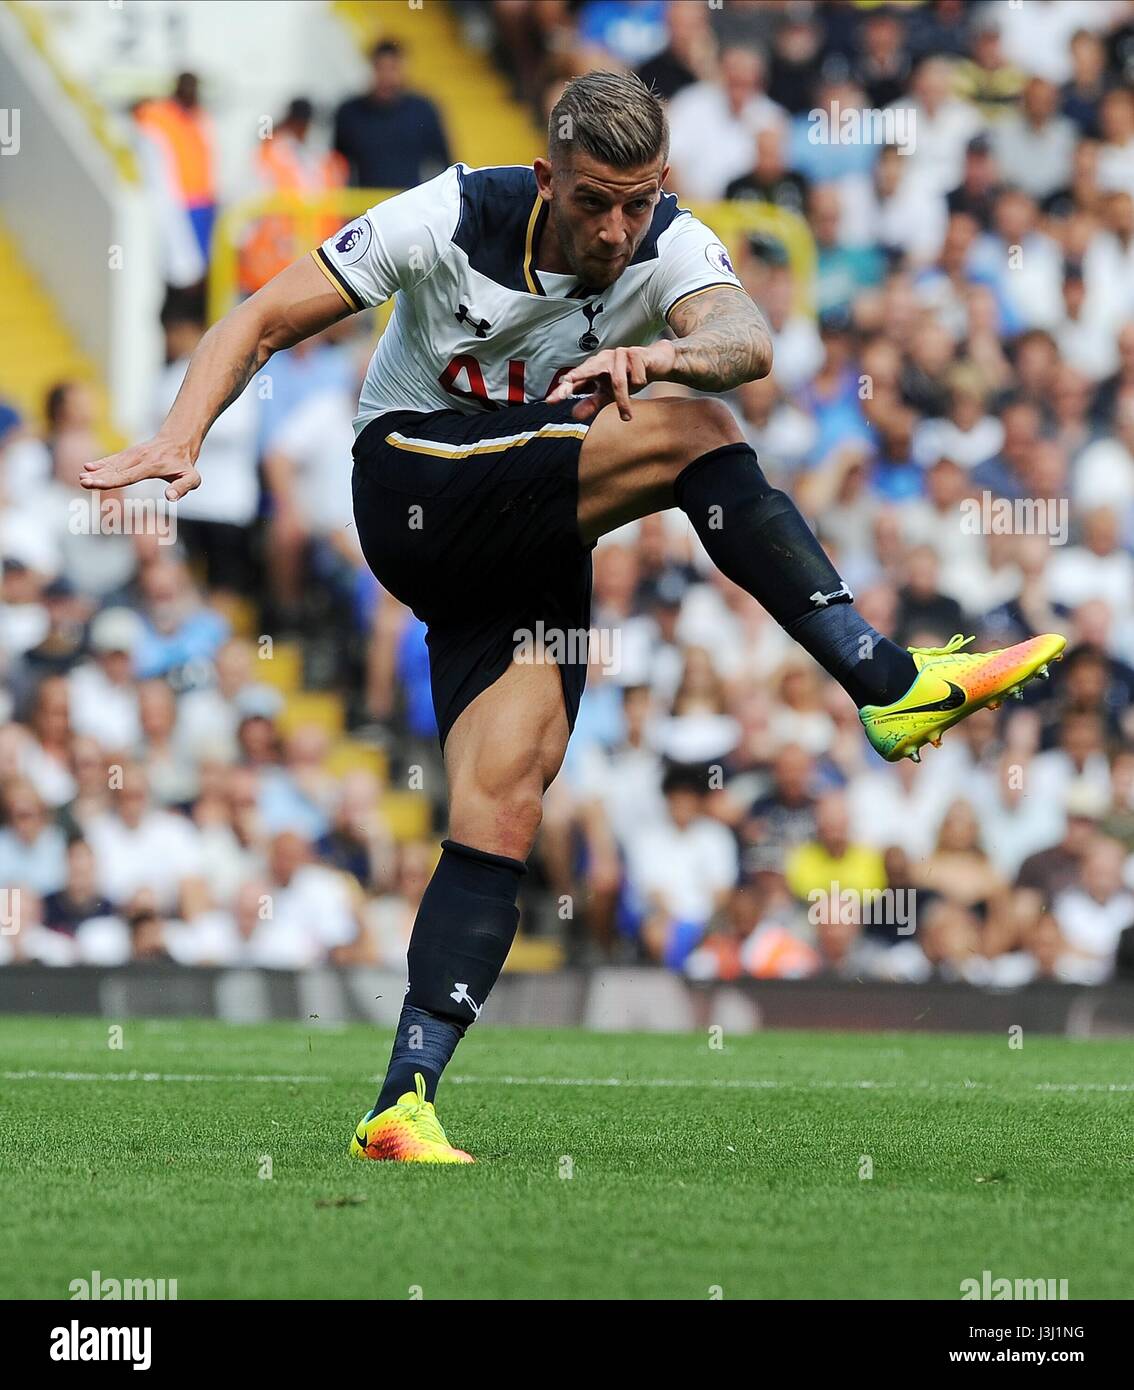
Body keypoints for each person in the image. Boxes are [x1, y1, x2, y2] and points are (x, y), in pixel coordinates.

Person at [82, 71, 1064, 1165]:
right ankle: (882, 680)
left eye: (636, 203)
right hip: (413, 480)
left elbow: (747, 337)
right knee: (693, 435)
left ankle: (403, 1100)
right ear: (546, 178)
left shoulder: (668, 239)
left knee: (505, 797)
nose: (615, 228)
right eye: (593, 201)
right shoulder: (449, 217)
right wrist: (181, 434)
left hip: (527, 532)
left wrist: (660, 348)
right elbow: (261, 316)